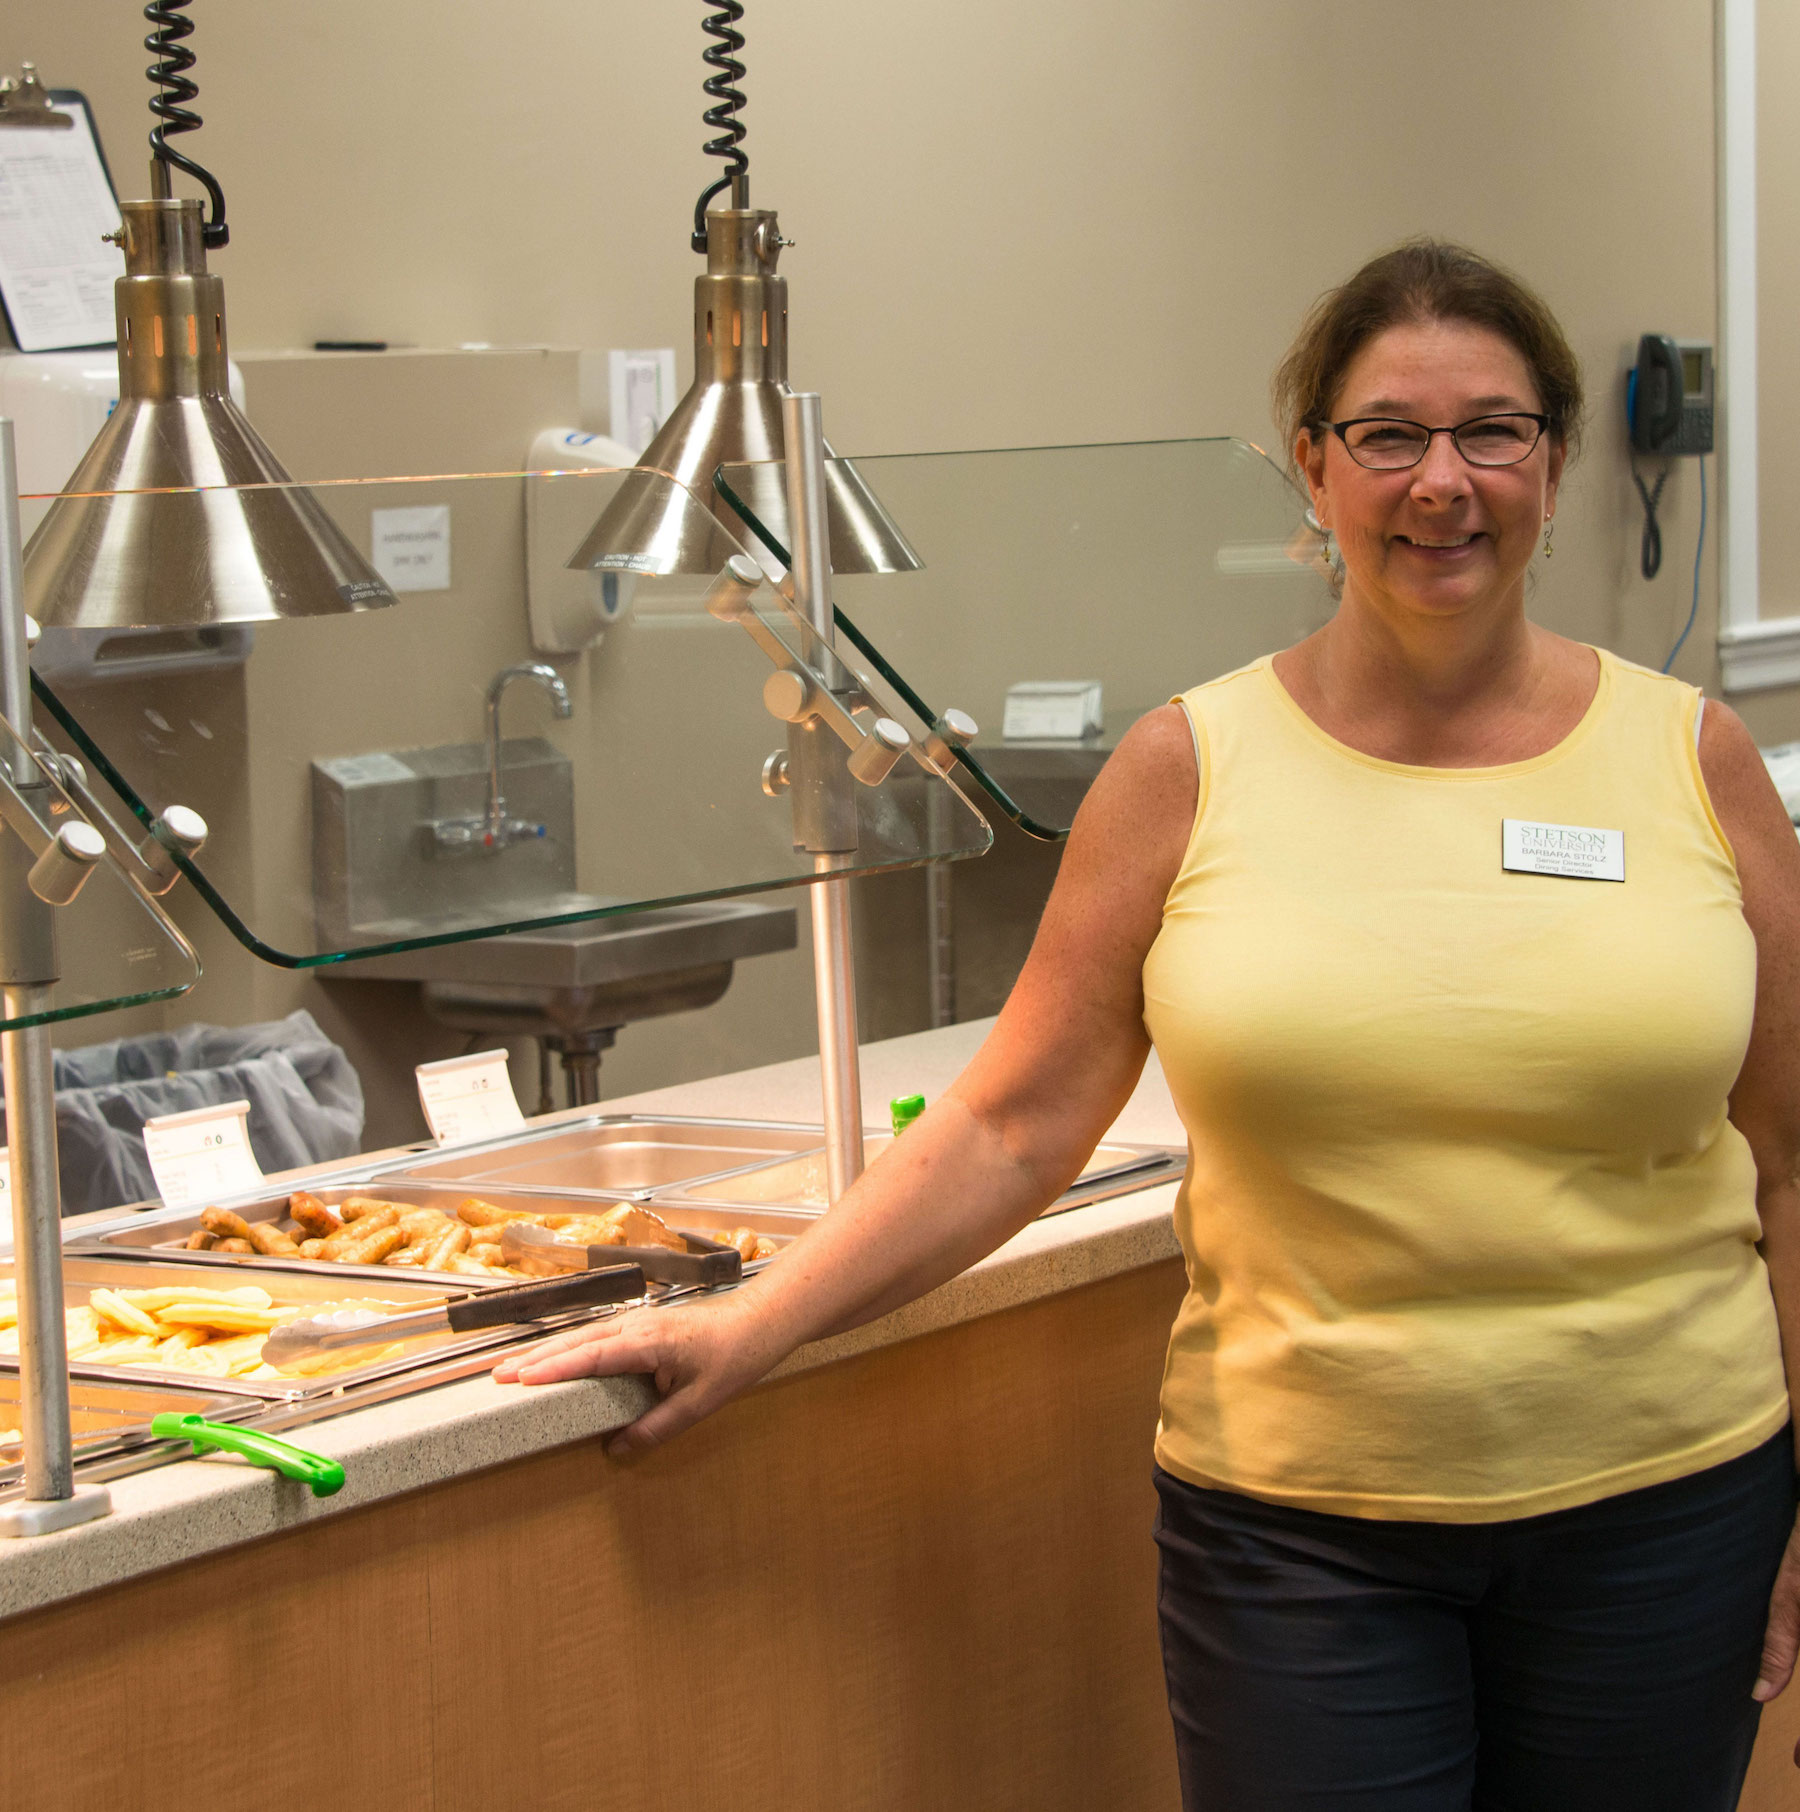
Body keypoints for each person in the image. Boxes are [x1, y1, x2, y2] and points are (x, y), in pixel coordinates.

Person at [495, 240, 1800, 1810]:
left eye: (1491, 431)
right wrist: (754, 1320)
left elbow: (1793, 1155)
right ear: (1312, 466)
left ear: (1557, 459)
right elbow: (1011, 1119)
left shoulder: (1694, 760)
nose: (1440, 481)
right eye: (1387, 434)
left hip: (1669, 1516)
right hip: (1302, 1543)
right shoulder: (1191, 766)